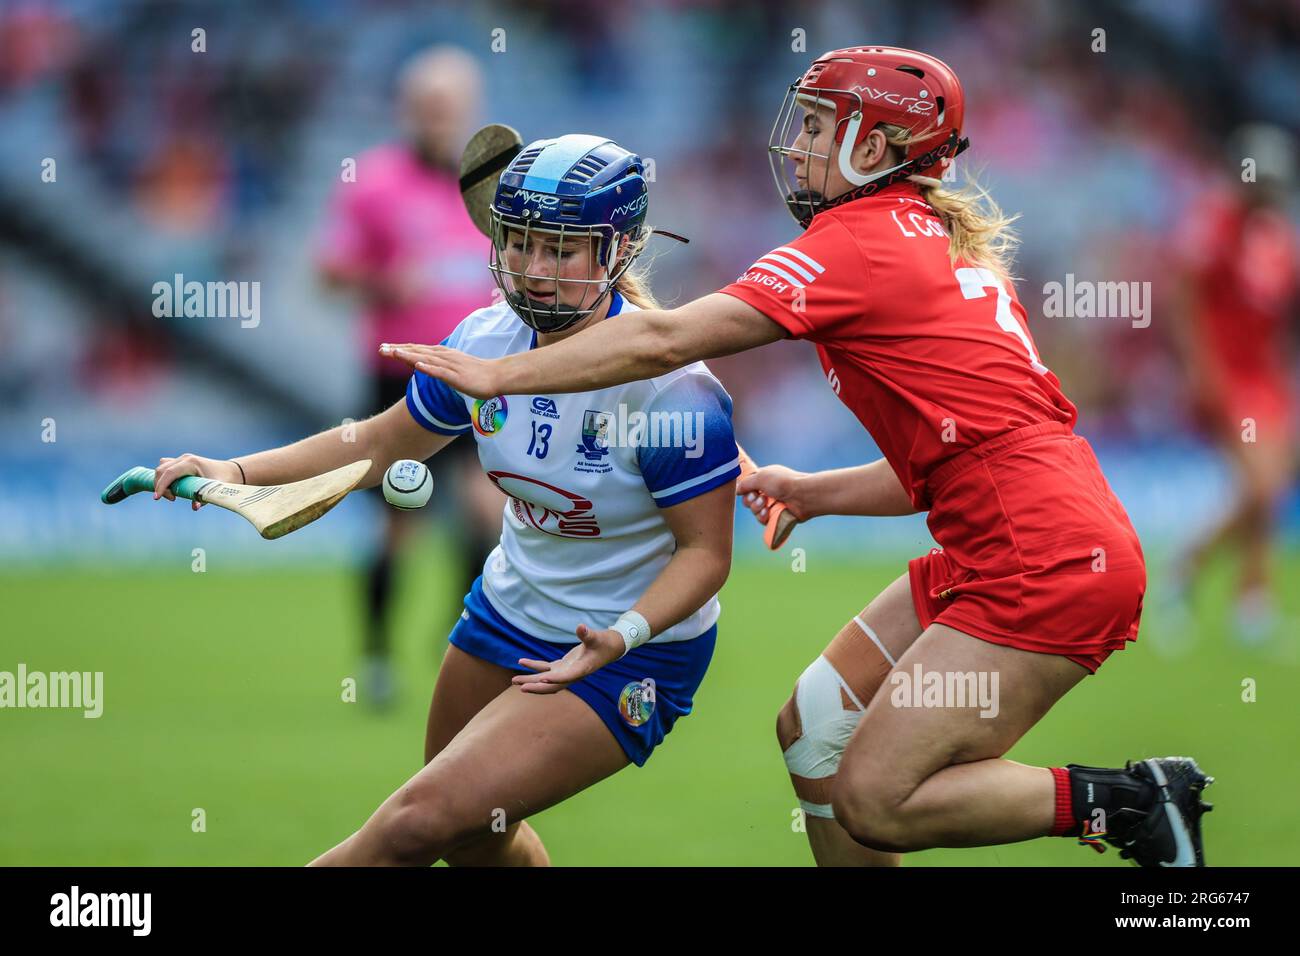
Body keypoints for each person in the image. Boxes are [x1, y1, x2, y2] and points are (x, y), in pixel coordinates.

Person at [390, 46, 1214, 867]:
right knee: (815, 728)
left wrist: (500, 371)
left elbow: (664, 339)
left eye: (821, 126)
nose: (798, 144)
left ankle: (1135, 803)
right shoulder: (917, 233)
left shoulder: (856, 241)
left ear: (877, 146)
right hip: (1020, 531)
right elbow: (959, 455)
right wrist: (816, 492)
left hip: (1043, 556)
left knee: (877, 800)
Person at [153, 134, 741, 865]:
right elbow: (373, 445)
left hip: (632, 652)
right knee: (474, 844)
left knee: (411, 825)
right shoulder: (485, 340)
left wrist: (621, 633)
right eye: (520, 242)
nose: (534, 270)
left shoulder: (674, 392)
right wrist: (236, 471)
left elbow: (706, 555)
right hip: (506, 614)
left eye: (562, 250)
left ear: (616, 251)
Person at [316, 46, 501, 707]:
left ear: (469, 111)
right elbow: (327, 273)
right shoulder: (373, 182)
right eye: (427, 107)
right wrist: (384, 281)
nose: (438, 119)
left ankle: (470, 646)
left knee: (490, 513)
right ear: (407, 110)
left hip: (484, 374)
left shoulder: (495, 181)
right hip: (401, 379)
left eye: (448, 107)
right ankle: (376, 656)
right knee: (403, 521)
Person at [1168, 124, 1298, 645]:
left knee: (1266, 495)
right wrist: (1201, 372)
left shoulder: (1277, 239)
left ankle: (1252, 600)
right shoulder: (1214, 225)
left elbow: (1281, 315)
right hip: (1227, 376)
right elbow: (1184, 302)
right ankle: (1190, 562)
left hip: (1266, 377)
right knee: (1263, 487)